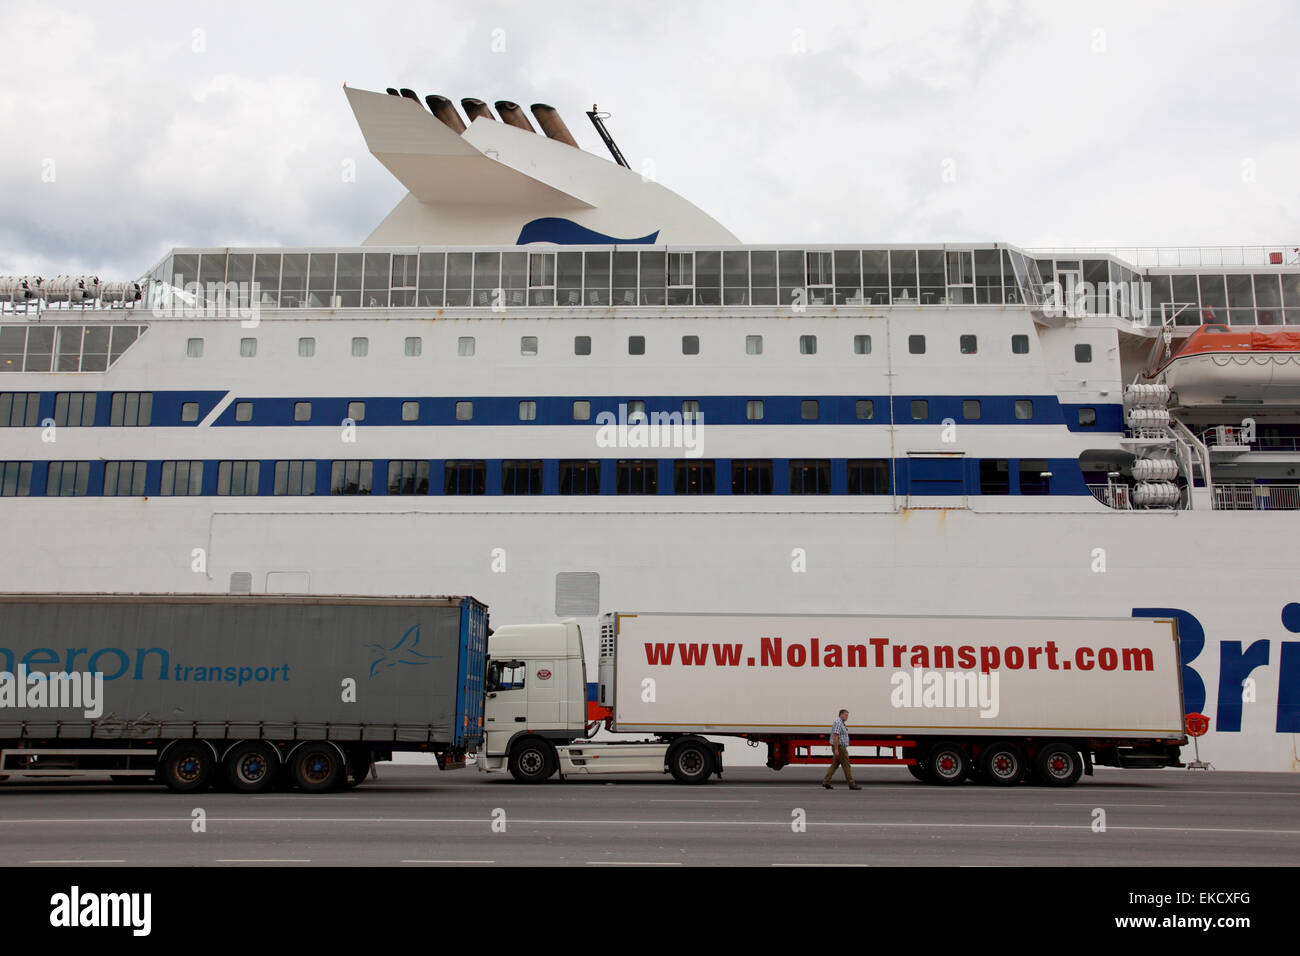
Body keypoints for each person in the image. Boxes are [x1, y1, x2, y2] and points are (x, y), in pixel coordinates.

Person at [822, 708, 860, 790]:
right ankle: (851, 784)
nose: (847, 717)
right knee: (846, 765)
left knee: (834, 765)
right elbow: (836, 736)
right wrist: (836, 749)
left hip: (839, 747)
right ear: (841, 714)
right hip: (840, 747)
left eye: (847, 715)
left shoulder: (841, 723)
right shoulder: (839, 723)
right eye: (846, 715)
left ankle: (826, 782)